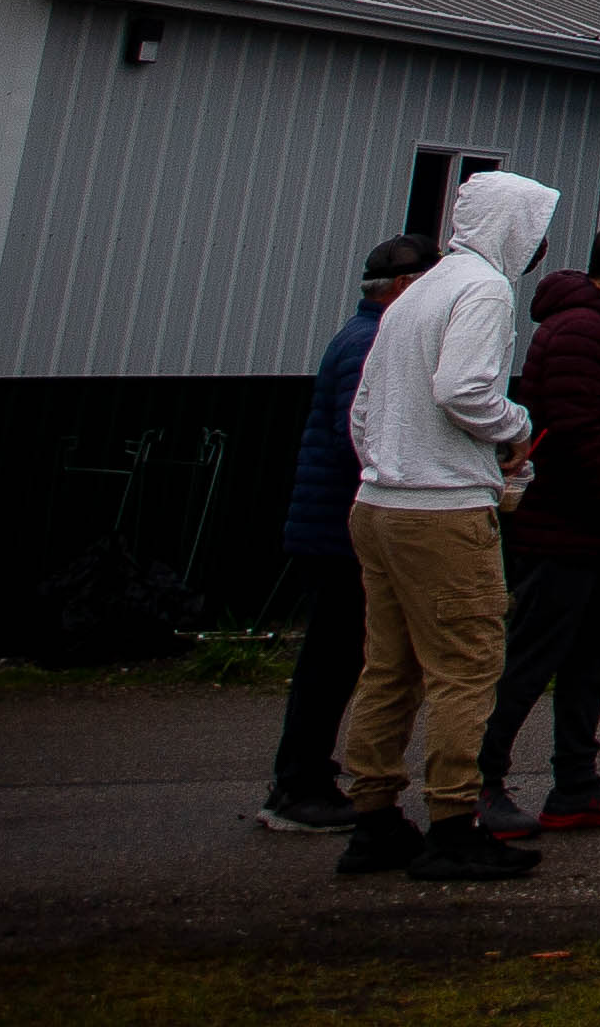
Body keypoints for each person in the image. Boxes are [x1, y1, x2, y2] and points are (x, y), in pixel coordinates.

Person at [339, 165, 559, 881]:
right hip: (442, 510)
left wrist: (389, 465)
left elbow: (364, 409)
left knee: (390, 666)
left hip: (378, 502)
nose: (537, 247)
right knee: (466, 667)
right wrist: (515, 425)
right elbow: (464, 389)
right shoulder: (484, 290)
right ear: (511, 230)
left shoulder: (418, 290)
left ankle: (373, 818)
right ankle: (454, 822)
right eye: (534, 230)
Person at [474, 211, 600, 836]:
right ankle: (481, 782)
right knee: (532, 658)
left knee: (589, 660)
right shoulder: (583, 331)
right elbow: (578, 431)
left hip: (596, 532)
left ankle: (575, 781)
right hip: (568, 528)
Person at [254, 236, 430, 835]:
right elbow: (357, 434)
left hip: (331, 521)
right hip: (340, 529)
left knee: (338, 657)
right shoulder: (371, 343)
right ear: (405, 289)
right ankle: (298, 784)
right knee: (332, 660)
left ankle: (307, 775)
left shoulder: (361, 336)